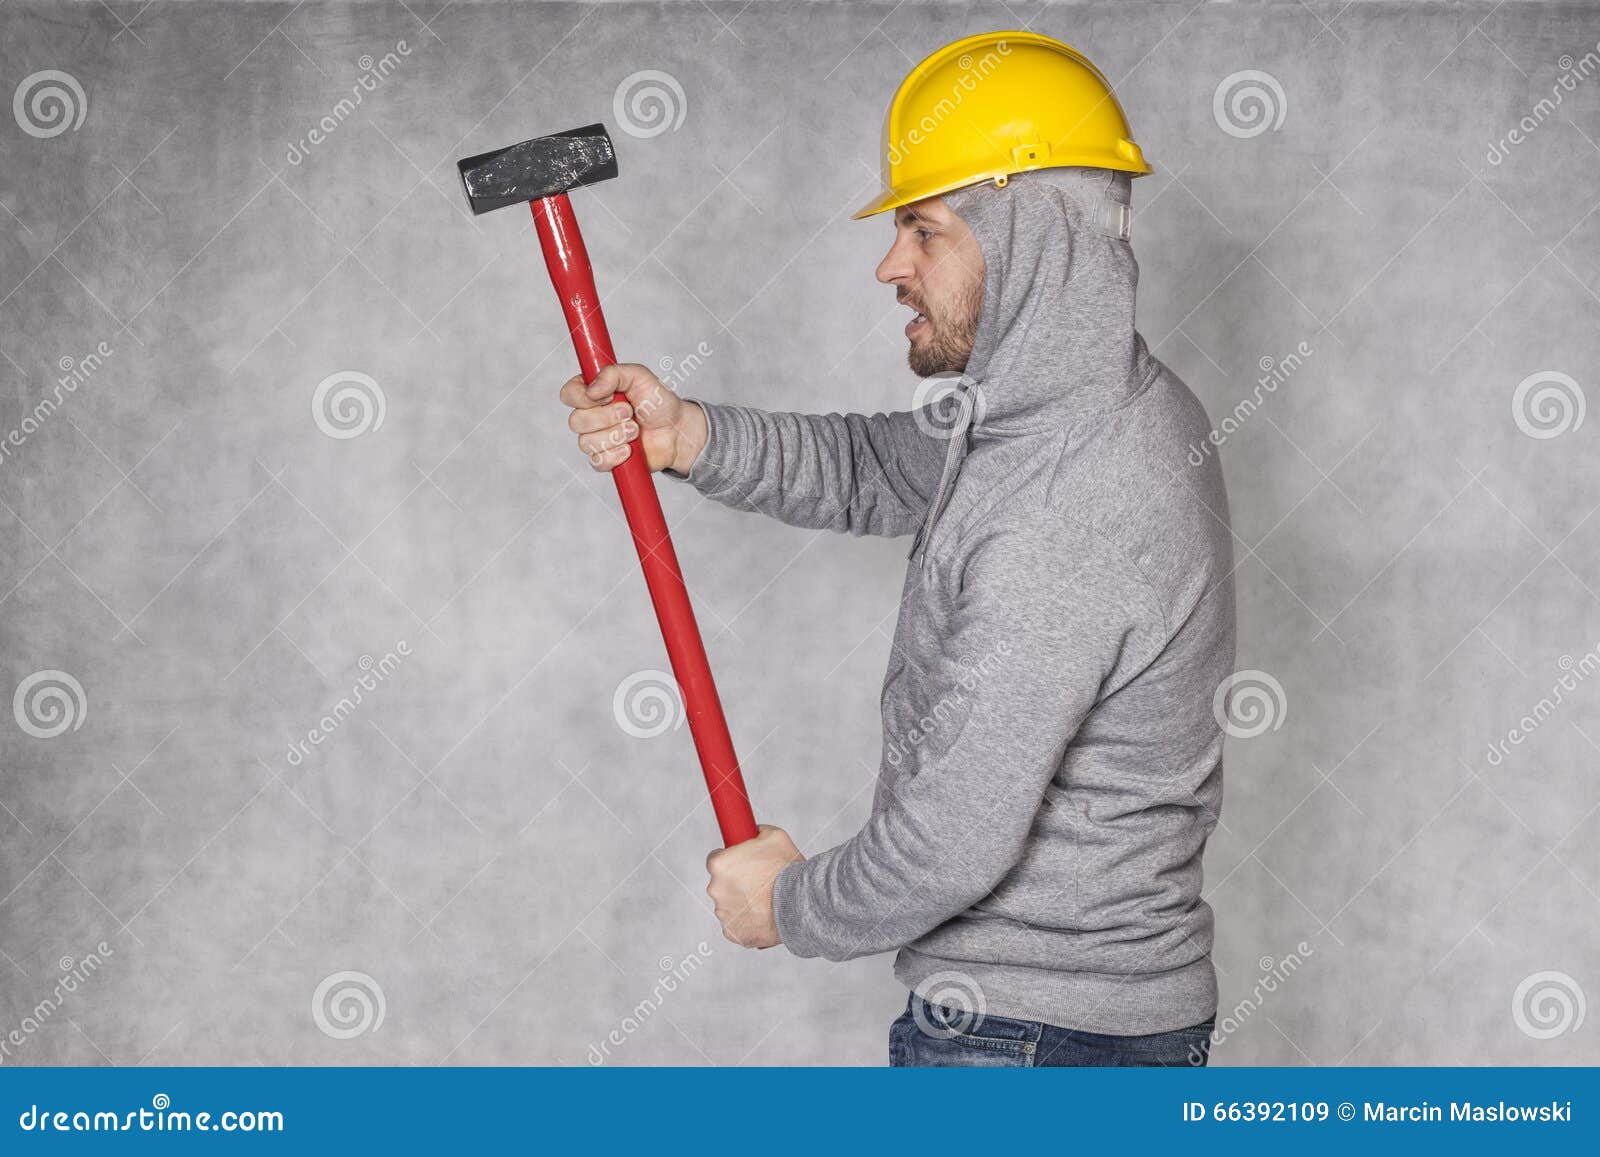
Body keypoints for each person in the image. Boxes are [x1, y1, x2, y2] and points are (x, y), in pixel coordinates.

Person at [560, 31, 1235, 1067]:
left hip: (1034, 1044)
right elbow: (884, 466)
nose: (890, 263)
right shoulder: (1079, 413)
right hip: (1065, 1031)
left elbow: (950, 842)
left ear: (1030, 240)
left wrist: (786, 901)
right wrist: (687, 433)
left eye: (924, 230)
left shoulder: (1066, 507)